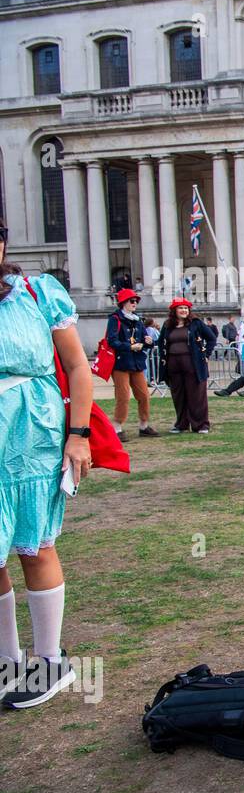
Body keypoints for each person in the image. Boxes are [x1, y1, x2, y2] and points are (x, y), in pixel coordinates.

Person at [0, 223, 96, 709]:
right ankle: (6, 661)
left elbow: (79, 368)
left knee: (34, 545)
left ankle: (48, 662)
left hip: (30, 437)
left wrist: (78, 437)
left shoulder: (37, 293)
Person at [106, 288, 159, 439]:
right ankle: (117, 427)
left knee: (144, 395)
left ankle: (144, 425)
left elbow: (143, 340)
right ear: (123, 303)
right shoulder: (115, 319)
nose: (135, 303)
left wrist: (148, 342)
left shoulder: (138, 320)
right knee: (123, 396)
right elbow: (112, 341)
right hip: (121, 364)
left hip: (136, 363)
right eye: (132, 301)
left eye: (136, 301)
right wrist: (128, 347)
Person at [159, 299, 218, 434]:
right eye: (181, 308)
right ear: (174, 310)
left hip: (193, 364)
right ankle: (181, 424)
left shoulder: (195, 324)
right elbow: (161, 341)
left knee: (196, 395)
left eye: (186, 308)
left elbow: (211, 338)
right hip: (173, 365)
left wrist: (206, 354)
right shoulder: (168, 325)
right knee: (178, 395)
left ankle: (201, 424)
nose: (184, 310)